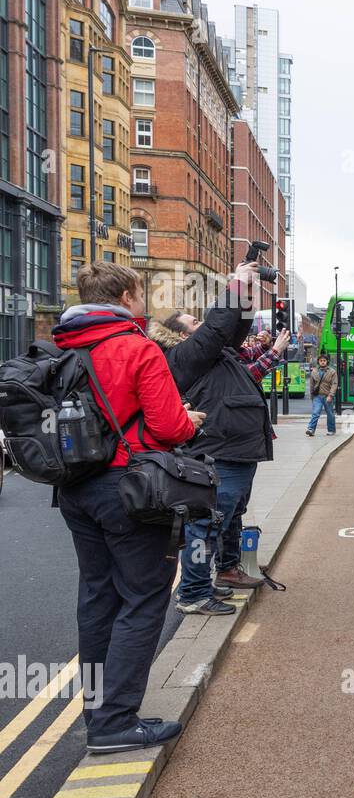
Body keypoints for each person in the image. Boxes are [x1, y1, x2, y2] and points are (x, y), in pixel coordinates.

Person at [53, 262, 203, 753]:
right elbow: (169, 427)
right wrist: (189, 419)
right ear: (127, 295)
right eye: (141, 293)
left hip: (75, 489)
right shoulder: (136, 347)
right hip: (130, 489)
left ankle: (97, 712)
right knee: (141, 599)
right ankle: (115, 722)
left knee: (98, 600)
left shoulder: (61, 347)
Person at [150, 262, 274, 615]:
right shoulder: (184, 357)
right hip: (217, 452)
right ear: (182, 336)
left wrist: (248, 292)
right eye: (193, 324)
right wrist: (235, 283)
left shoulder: (214, 354)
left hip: (236, 450)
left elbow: (233, 328)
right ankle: (193, 592)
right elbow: (219, 326)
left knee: (230, 516)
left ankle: (225, 571)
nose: (201, 325)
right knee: (206, 524)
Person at [306, 354, 337, 437]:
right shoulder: (314, 371)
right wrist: (312, 395)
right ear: (318, 362)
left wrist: (331, 395)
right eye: (321, 361)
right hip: (317, 396)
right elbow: (311, 384)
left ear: (327, 362)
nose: (322, 362)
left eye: (324, 361)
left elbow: (334, 384)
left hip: (327, 395)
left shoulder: (332, 372)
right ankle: (311, 429)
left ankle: (331, 430)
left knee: (330, 413)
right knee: (315, 413)